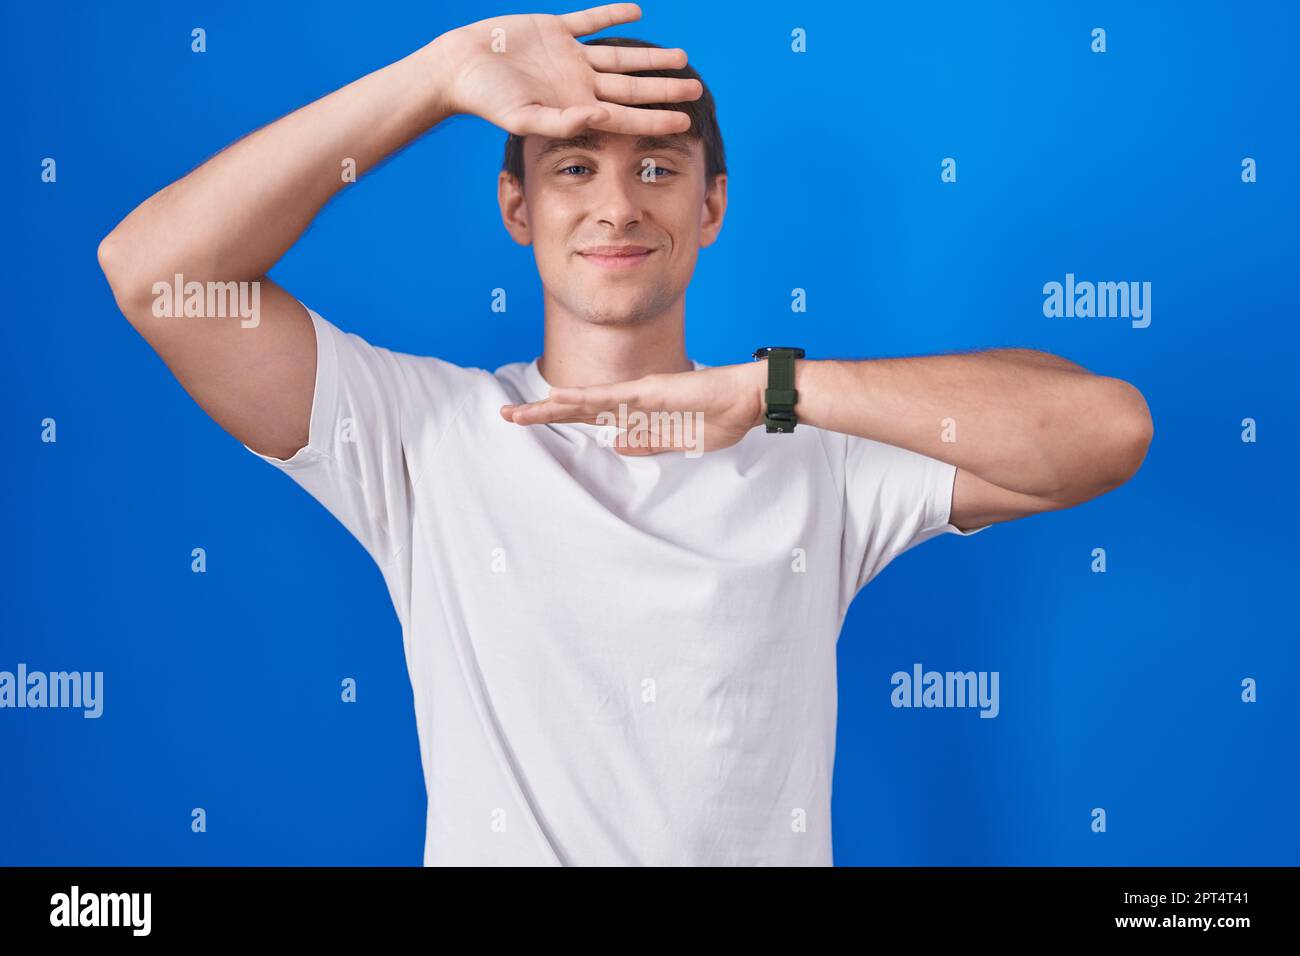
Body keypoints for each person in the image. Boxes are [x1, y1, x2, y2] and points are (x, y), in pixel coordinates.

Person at [97, 3, 1153, 866]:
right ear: (517, 205)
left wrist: (774, 390)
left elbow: (1104, 427)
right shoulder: (422, 433)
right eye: (572, 167)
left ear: (712, 206)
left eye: (656, 167)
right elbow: (153, 273)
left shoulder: (806, 439)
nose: (617, 206)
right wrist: (434, 77)